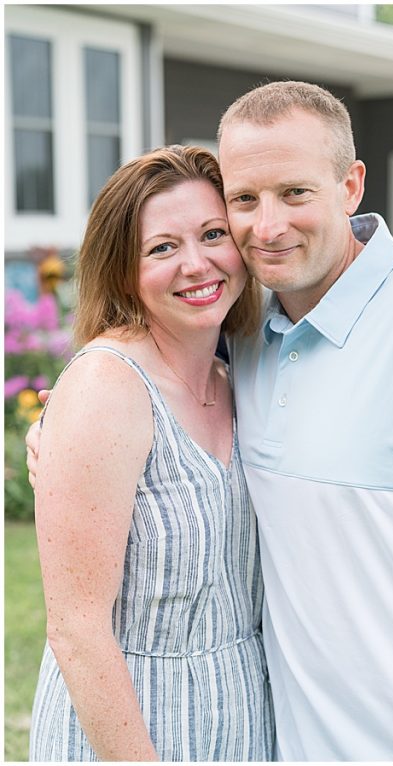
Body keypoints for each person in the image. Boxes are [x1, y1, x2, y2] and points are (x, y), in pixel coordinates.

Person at [29, 81, 393, 761]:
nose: (268, 225)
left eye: (295, 193)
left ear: (351, 186)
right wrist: (66, 438)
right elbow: (129, 399)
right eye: (245, 201)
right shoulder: (246, 337)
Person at [29, 146, 272, 760]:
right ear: (123, 270)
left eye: (214, 234)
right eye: (163, 247)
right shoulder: (108, 387)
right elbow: (77, 631)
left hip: (244, 718)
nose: (198, 264)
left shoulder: (243, 376)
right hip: (133, 729)